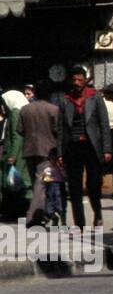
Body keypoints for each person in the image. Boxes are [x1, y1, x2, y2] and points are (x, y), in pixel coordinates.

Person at [59, 65, 113, 229]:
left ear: (85, 81)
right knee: (74, 187)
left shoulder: (94, 97)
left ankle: (97, 212)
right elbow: (61, 129)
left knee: (93, 184)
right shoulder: (65, 100)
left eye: (80, 80)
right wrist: (60, 152)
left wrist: (107, 149)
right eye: (74, 80)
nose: (77, 83)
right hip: (72, 147)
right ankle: (79, 223)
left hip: (91, 146)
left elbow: (104, 124)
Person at [20, 82, 62, 227]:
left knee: (37, 183)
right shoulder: (54, 110)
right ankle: (33, 216)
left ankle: (42, 213)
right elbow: (58, 131)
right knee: (42, 184)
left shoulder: (25, 109)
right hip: (48, 151)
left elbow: (20, 130)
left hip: (29, 150)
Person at [1, 89, 30, 220]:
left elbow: (16, 136)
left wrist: (12, 155)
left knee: (13, 183)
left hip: (15, 154)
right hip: (20, 152)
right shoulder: (22, 110)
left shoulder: (15, 113)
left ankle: (15, 212)